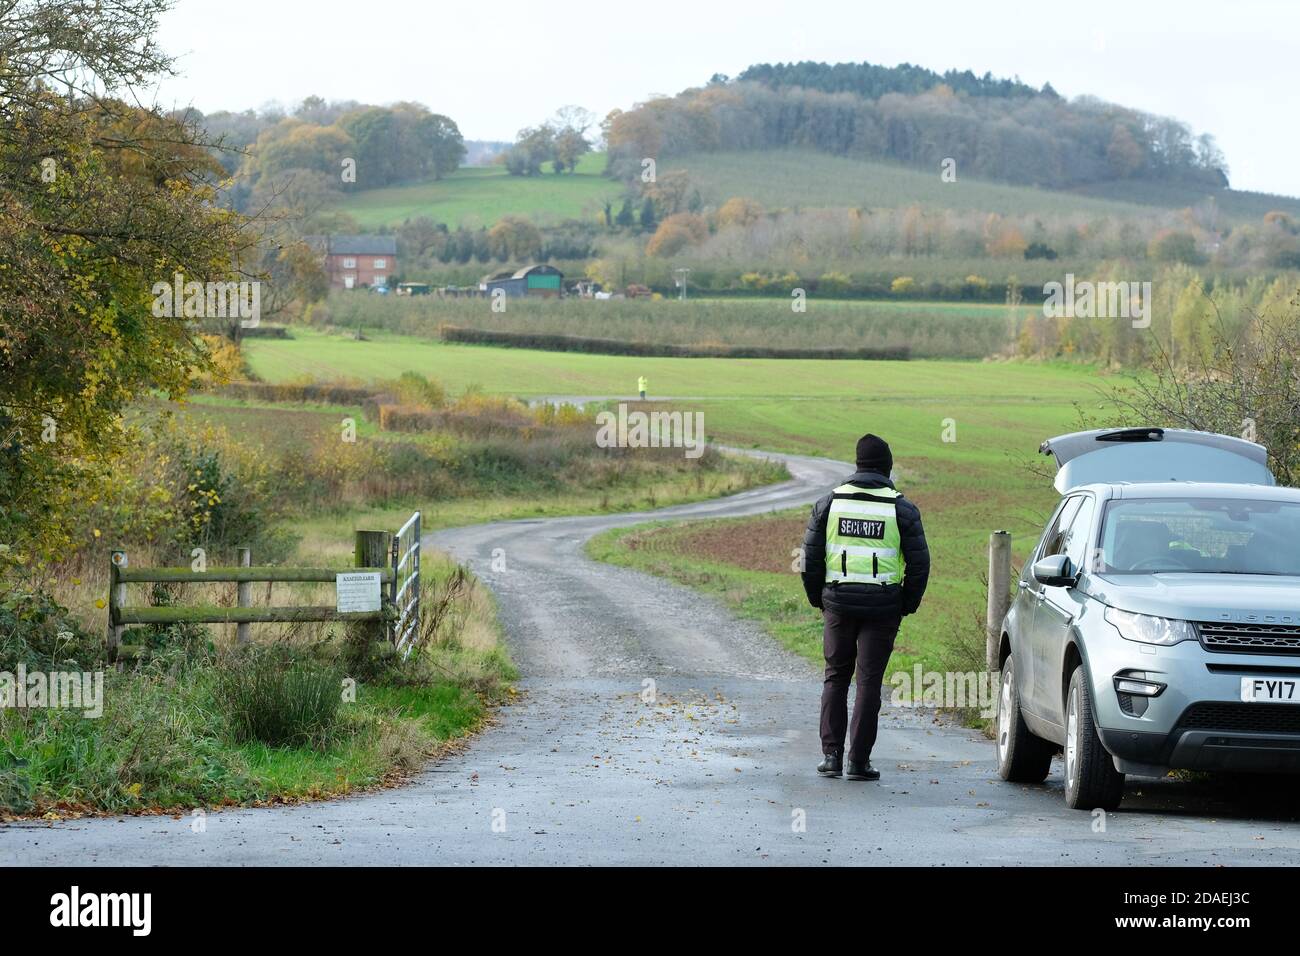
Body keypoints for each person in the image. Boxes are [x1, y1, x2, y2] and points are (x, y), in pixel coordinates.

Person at [801, 433, 930, 781]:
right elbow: (920, 563)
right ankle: (858, 762)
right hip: (883, 607)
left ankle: (831, 757)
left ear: (857, 465)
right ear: (886, 467)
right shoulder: (901, 508)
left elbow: (810, 558)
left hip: (838, 603)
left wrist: (819, 598)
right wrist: (907, 604)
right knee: (868, 682)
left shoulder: (829, 503)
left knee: (835, 677)